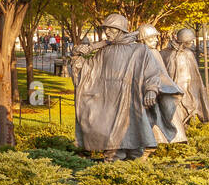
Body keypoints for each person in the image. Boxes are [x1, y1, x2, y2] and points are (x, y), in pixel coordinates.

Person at [72, 14, 181, 160]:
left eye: (111, 29)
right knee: (112, 145)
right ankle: (114, 170)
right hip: (109, 103)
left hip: (132, 100)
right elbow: (87, 71)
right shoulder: (104, 52)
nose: (107, 33)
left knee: (134, 142)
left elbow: (152, 73)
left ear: (120, 30)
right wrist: (77, 55)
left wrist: (151, 90)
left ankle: (132, 171)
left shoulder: (140, 50)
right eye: (106, 30)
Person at [160, 27, 209, 141]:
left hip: (188, 89)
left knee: (187, 112)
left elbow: (195, 75)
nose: (192, 43)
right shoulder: (165, 53)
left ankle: (187, 134)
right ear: (184, 41)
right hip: (173, 91)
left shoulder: (189, 54)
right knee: (174, 115)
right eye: (190, 41)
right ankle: (176, 138)